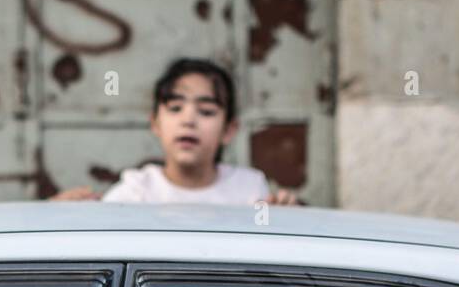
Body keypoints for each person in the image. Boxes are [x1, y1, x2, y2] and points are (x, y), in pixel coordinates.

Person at [51, 57, 300, 205]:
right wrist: (56, 215)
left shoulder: (249, 190)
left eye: (206, 111)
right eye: (175, 108)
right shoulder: (137, 192)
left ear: (229, 129)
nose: (188, 120)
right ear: (155, 123)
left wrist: (290, 221)